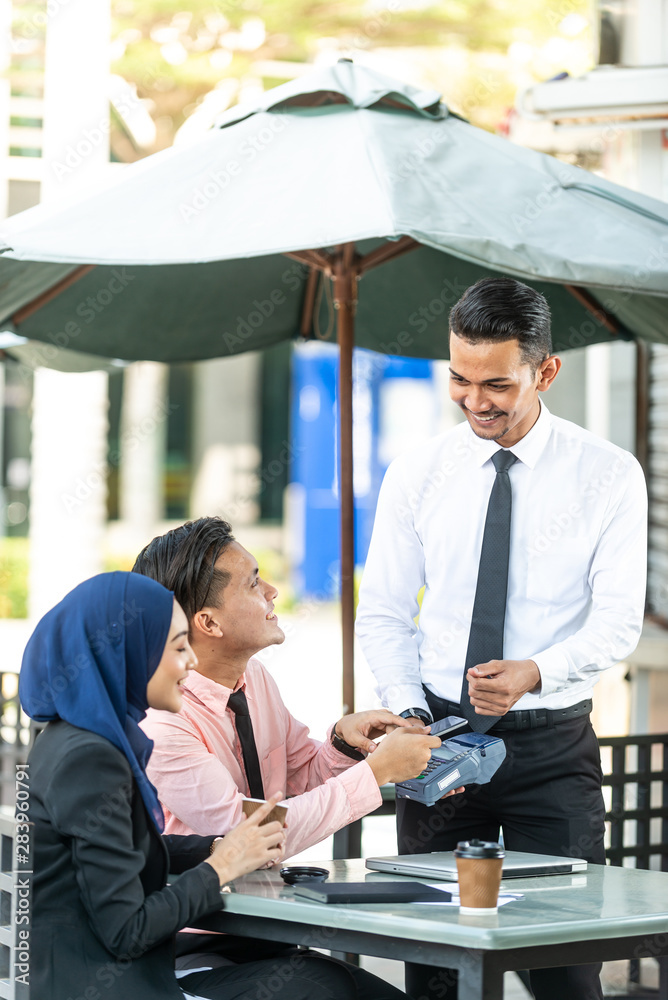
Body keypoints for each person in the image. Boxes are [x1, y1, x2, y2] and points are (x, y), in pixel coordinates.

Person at [355, 276, 648, 1000]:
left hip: (552, 752)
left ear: (545, 371)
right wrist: (409, 710)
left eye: (497, 384)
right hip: (440, 742)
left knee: (567, 972)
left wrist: (537, 670)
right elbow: (385, 611)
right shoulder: (420, 473)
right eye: (459, 378)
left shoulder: (609, 476)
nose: (475, 400)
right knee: (434, 969)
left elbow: (618, 622)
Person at [21, 571, 408, 1000]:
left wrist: (211, 848)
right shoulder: (90, 758)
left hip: (132, 973)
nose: (190, 662)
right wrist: (221, 866)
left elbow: (116, 851)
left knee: (334, 982)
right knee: (325, 986)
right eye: (175, 647)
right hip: (129, 983)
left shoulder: (71, 740)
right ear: (128, 656)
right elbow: (127, 931)